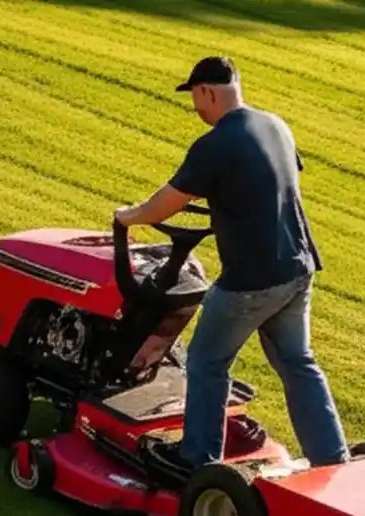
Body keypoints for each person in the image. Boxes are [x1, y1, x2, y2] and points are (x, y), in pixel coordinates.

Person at [112, 56, 349, 475]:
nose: (195, 108)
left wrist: (126, 217)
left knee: (206, 361)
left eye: (194, 97)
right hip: (298, 269)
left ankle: (197, 458)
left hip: (250, 282)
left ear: (206, 91)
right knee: (298, 362)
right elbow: (265, 184)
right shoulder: (275, 125)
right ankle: (332, 458)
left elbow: (164, 205)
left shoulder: (216, 144)